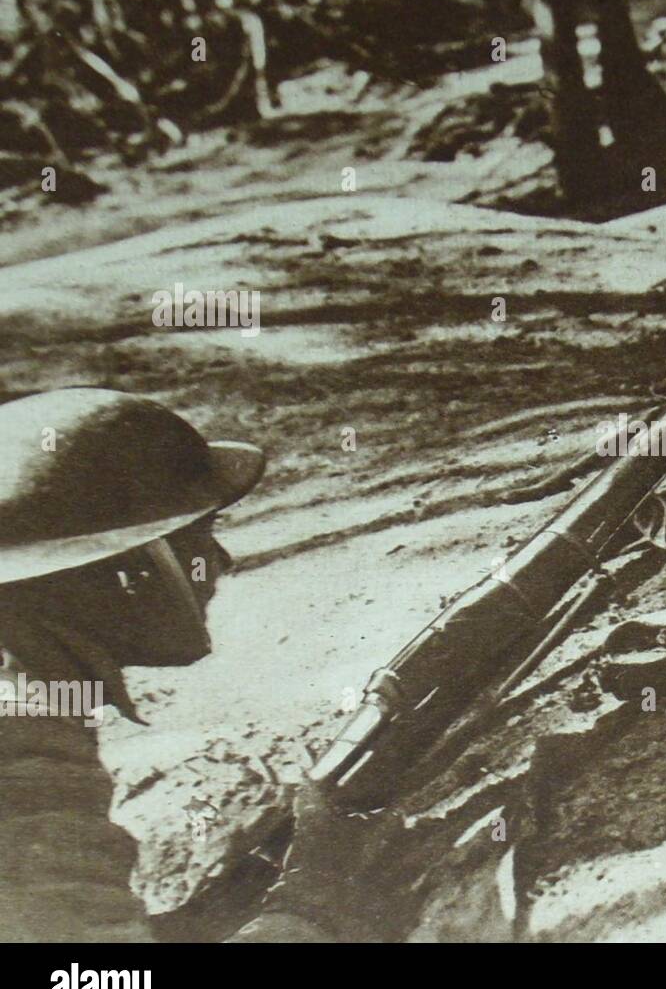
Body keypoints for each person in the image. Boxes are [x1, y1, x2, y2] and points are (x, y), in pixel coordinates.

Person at [0, 388, 417, 942]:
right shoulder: (25, 738)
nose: (221, 562)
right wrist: (310, 906)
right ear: (134, 570)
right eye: (201, 539)